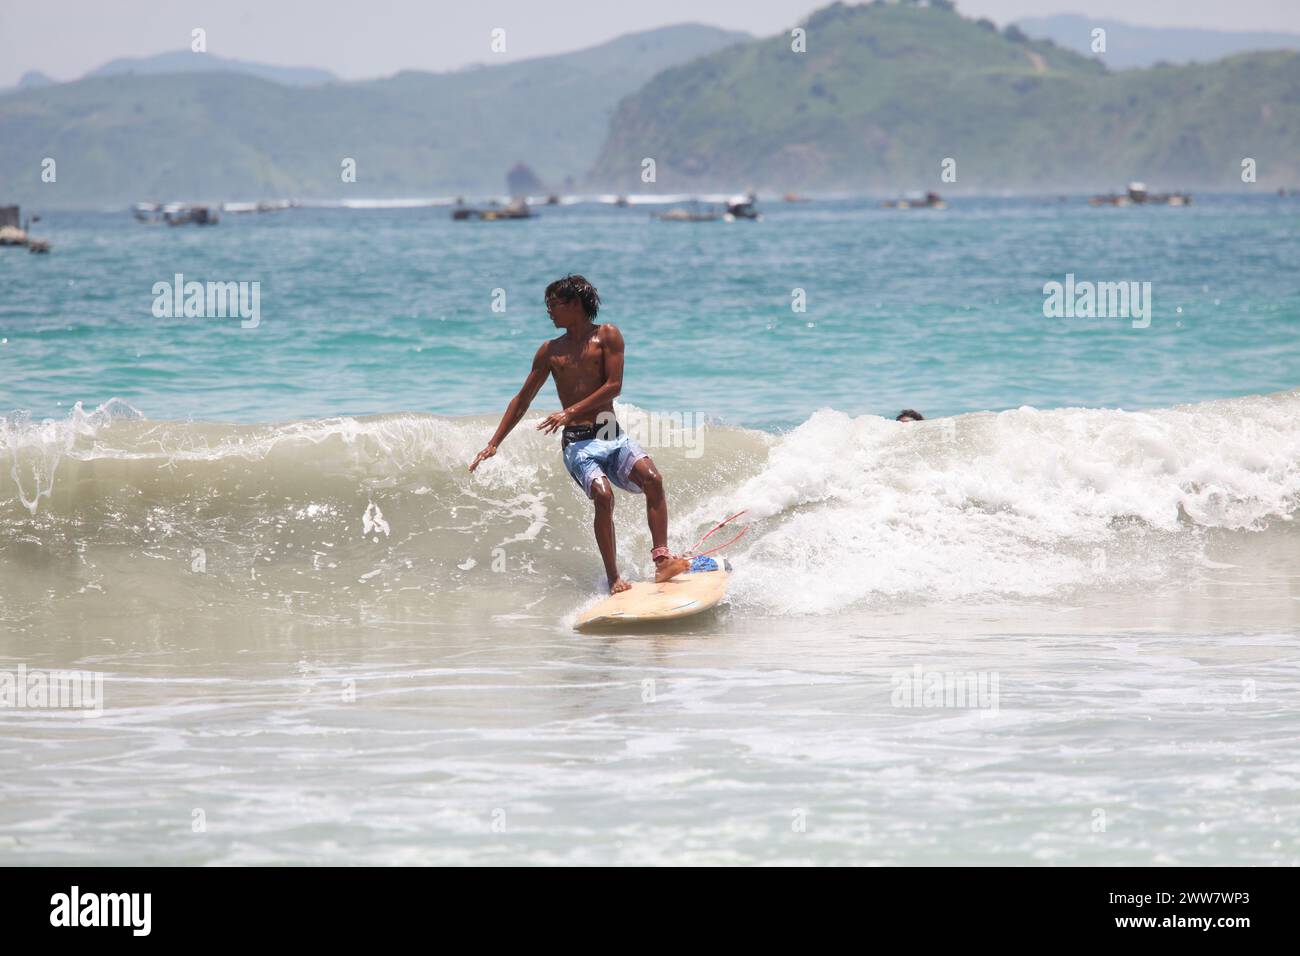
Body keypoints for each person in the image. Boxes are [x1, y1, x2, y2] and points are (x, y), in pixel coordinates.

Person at [469, 275, 690, 594]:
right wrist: (493, 444)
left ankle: (662, 560)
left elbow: (614, 386)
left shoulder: (608, 336)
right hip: (578, 444)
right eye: (547, 305)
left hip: (611, 434)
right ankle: (614, 577)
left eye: (554, 304)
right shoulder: (549, 351)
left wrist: (569, 411)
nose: (549, 311)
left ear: (575, 304)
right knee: (603, 496)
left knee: (653, 479)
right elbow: (522, 399)